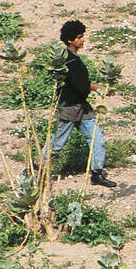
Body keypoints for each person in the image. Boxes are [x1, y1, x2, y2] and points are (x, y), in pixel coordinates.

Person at [45, 20, 117, 188]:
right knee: (56, 145)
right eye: (79, 37)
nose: (82, 40)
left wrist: (100, 89)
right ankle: (35, 169)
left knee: (97, 140)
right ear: (70, 40)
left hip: (82, 107)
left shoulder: (73, 58)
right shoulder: (69, 60)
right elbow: (80, 86)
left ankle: (97, 174)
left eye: (82, 36)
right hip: (69, 108)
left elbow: (83, 84)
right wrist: (97, 90)